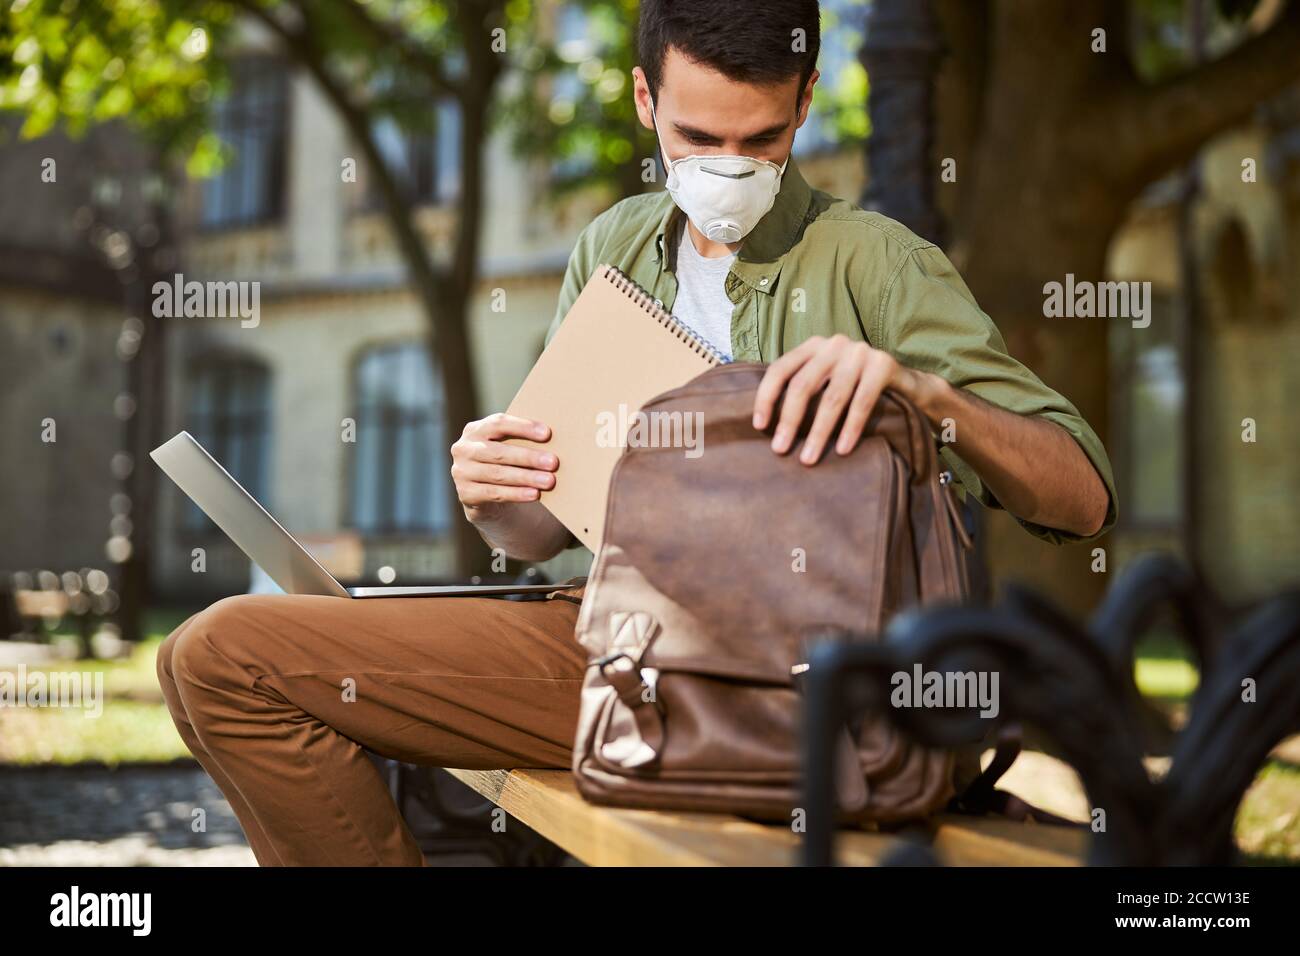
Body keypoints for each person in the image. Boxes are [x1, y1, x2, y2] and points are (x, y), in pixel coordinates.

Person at [158, 0, 1115, 866]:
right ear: (643, 98)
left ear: (808, 101)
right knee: (208, 659)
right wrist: (498, 497)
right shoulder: (612, 246)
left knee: (223, 655)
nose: (731, 168)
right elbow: (542, 535)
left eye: (764, 139)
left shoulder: (880, 263)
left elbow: (1081, 497)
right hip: (614, 644)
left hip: (799, 684)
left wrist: (923, 394)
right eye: (699, 137)